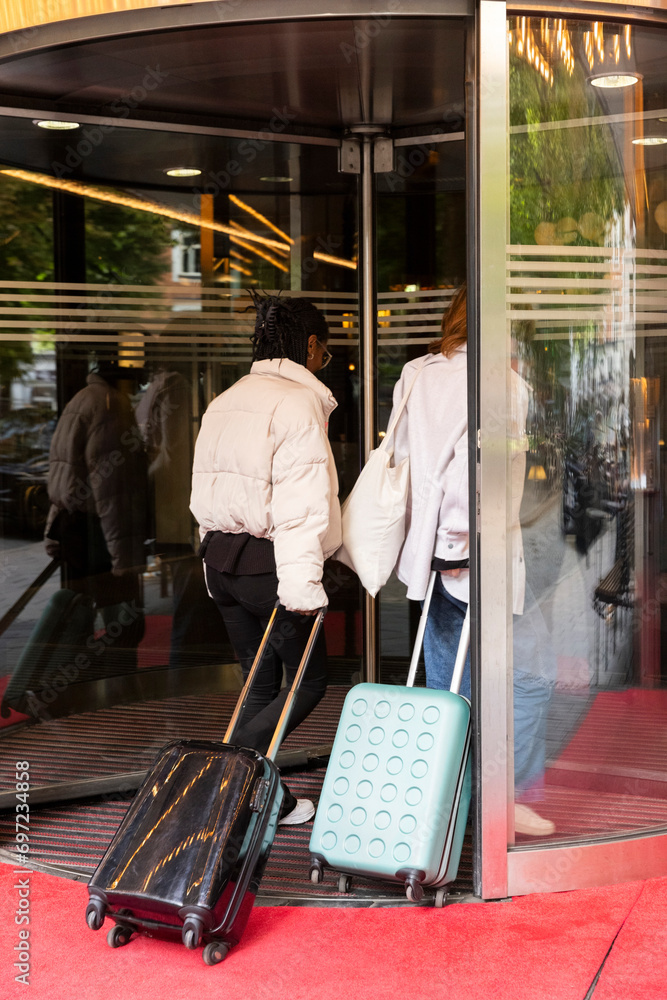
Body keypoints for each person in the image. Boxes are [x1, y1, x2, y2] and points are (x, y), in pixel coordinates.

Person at [390, 284, 556, 838]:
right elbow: (483, 473)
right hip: (478, 550)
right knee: (533, 674)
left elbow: (403, 463)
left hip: (433, 555)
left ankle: (449, 815)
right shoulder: (504, 385)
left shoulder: (416, 374)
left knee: (446, 686)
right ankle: (499, 802)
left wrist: (436, 543)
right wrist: (462, 541)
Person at [190, 293, 340, 826]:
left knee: (259, 684)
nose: (328, 357)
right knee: (309, 684)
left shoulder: (227, 398)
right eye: (327, 346)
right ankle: (220, 775)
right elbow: (301, 510)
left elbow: (204, 493)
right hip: (268, 566)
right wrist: (303, 591)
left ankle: (254, 802)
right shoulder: (298, 405)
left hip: (222, 562)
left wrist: (212, 570)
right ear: (311, 344)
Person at [44, 359, 148, 674]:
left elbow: (64, 471)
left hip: (74, 525)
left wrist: (52, 527)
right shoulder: (109, 404)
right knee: (125, 623)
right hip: (97, 531)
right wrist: (123, 558)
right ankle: (113, 686)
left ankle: (85, 685)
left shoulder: (80, 399)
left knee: (87, 615)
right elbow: (111, 488)